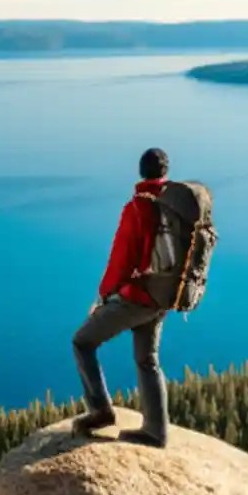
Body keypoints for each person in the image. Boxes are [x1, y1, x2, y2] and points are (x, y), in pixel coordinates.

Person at [71, 147, 173, 447]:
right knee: (147, 360)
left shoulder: (138, 208)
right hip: (162, 297)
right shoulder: (173, 206)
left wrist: (103, 297)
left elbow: (120, 262)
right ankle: (156, 432)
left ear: (141, 172)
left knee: (82, 342)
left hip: (138, 297)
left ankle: (100, 411)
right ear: (165, 172)